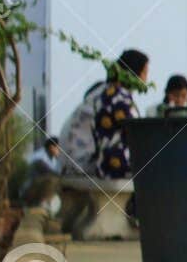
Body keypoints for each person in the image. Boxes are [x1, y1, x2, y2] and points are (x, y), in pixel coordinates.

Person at [57, 49, 149, 179]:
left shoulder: (103, 92)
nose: (146, 79)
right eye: (145, 73)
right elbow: (136, 134)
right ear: (134, 72)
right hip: (85, 165)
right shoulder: (118, 97)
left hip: (70, 162)